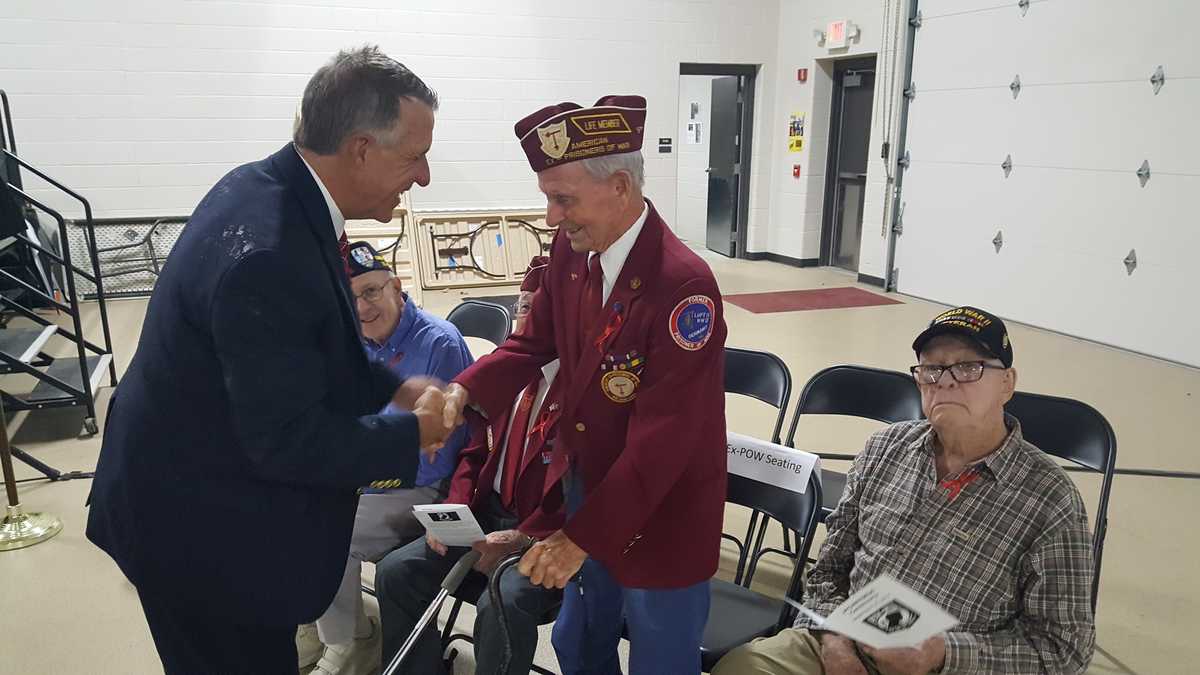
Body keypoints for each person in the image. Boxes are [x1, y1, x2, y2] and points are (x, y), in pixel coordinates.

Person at [85, 46, 450, 675]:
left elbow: (302, 343)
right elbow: (288, 443)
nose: (424, 178)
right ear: (362, 149)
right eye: (415, 156)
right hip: (200, 533)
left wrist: (391, 388)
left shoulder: (267, 188)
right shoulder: (270, 252)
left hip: (199, 496)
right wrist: (412, 433)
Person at [442, 96, 728, 674]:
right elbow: (532, 342)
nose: (552, 217)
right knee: (580, 643)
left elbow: (663, 442)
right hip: (590, 490)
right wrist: (462, 392)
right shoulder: (572, 253)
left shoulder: (682, 286)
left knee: (660, 659)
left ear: (620, 187)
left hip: (662, 512)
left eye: (563, 199)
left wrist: (578, 540)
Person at [713, 306, 1096, 675]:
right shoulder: (885, 449)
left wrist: (944, 653)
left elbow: (1065, 650)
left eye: (968, 367)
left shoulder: (1050, 499)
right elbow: (829, 570)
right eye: (932, 369)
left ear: (1007, 383)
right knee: (744, 666)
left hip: (954, 667)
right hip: (840, 641)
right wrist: (834, 642)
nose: (945, 381)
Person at [375, 256, 565, 675]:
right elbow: (474, 453)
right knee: (396, 572)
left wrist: (522, 537)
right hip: (483, 515)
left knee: (501, 598)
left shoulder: (580, 388)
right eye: (522, 307)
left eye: (538, 310)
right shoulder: (502, 378)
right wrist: (452, 513)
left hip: (545, 533)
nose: (526, 319)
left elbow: (579, 492)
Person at [300, 241, 474, 675]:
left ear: (396, 287)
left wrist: (362, 470)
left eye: (372, 291)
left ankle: (351, 641)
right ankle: (314, 620)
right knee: (289, 510)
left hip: (423, 484)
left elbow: (442, 452)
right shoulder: (353, 345)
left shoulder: (438, 342)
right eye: (351, 298)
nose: (363, 308)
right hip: (368, 474)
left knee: (328, 532)